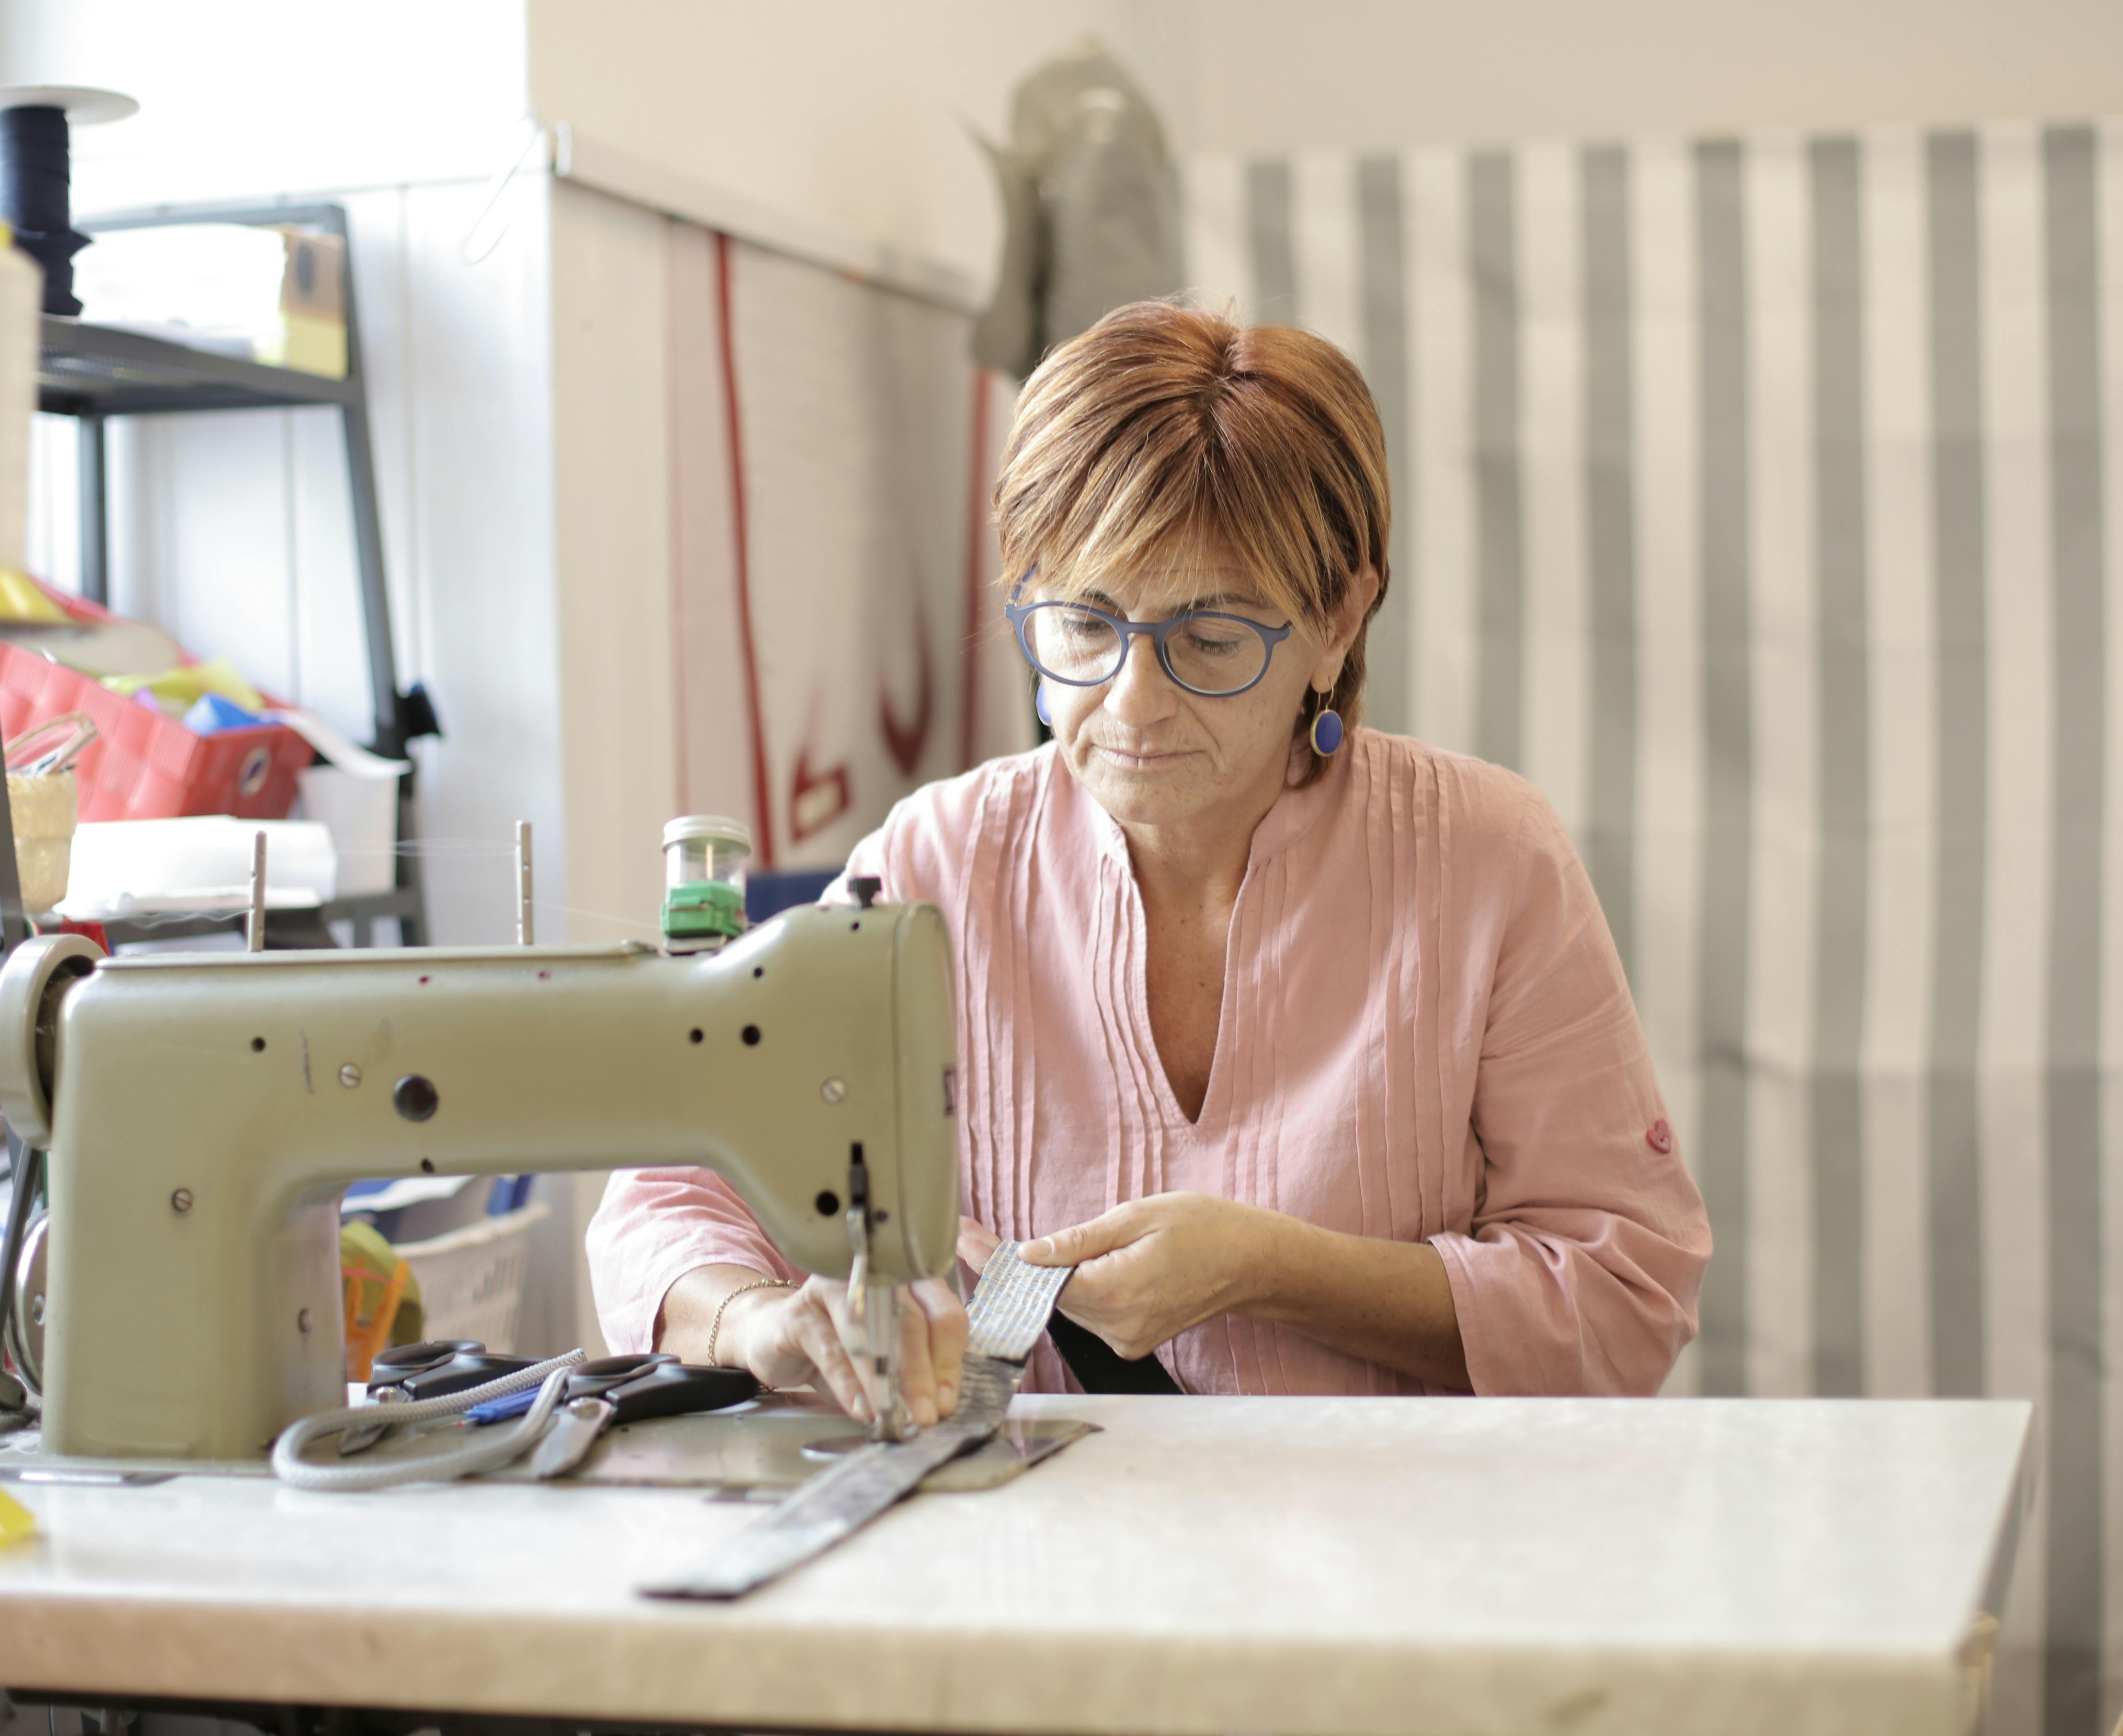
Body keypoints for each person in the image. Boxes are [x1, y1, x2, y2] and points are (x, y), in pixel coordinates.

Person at [587, 300, 1711, 1425]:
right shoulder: (936, 863)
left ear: (1338, 620)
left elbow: (1626, 1292)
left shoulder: (1487, 861)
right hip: (1033, 1523)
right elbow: (666, 1197)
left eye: (1209, 640)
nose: (1132, 704)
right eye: (1084, 625)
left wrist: (1278, 1271)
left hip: (1396, 1520)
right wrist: (757, 1323)